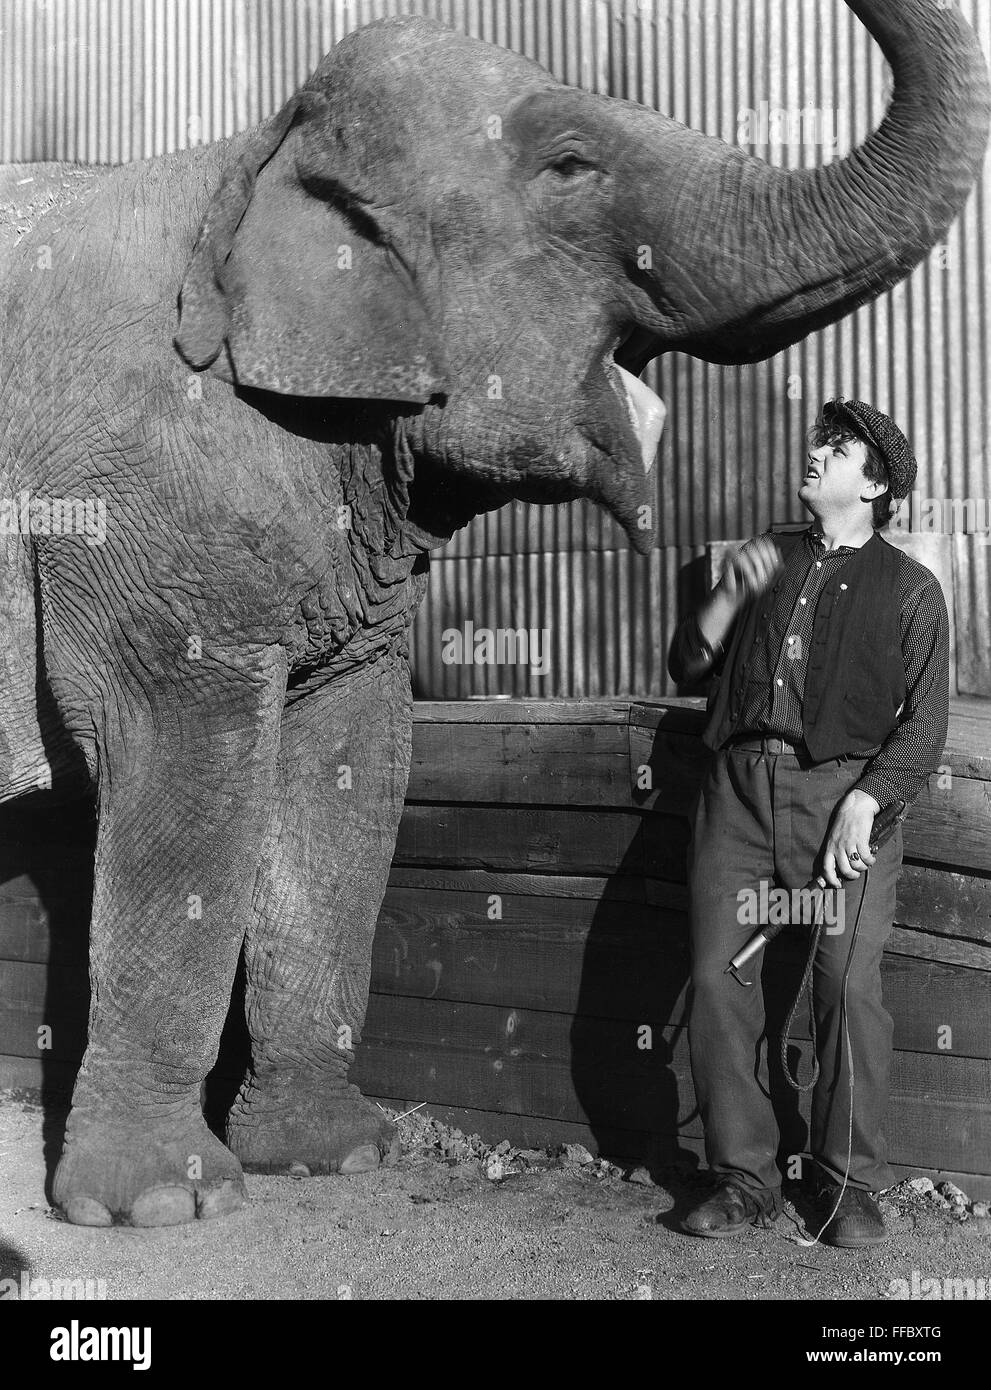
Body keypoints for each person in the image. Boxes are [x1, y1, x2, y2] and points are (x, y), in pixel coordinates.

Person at [668, 399, 949, 1247]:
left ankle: (844, 1185)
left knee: (843, 986)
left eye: (838, 450)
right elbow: (686, 662)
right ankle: (742, 1178)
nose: (815, 454)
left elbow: (923, 728)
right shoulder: (766, 554)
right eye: (819, 441)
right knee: (721, 978)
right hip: (738, 798)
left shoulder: (910, 590)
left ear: (873, 485)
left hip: (843, 804)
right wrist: (728, 594)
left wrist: (867, 798)